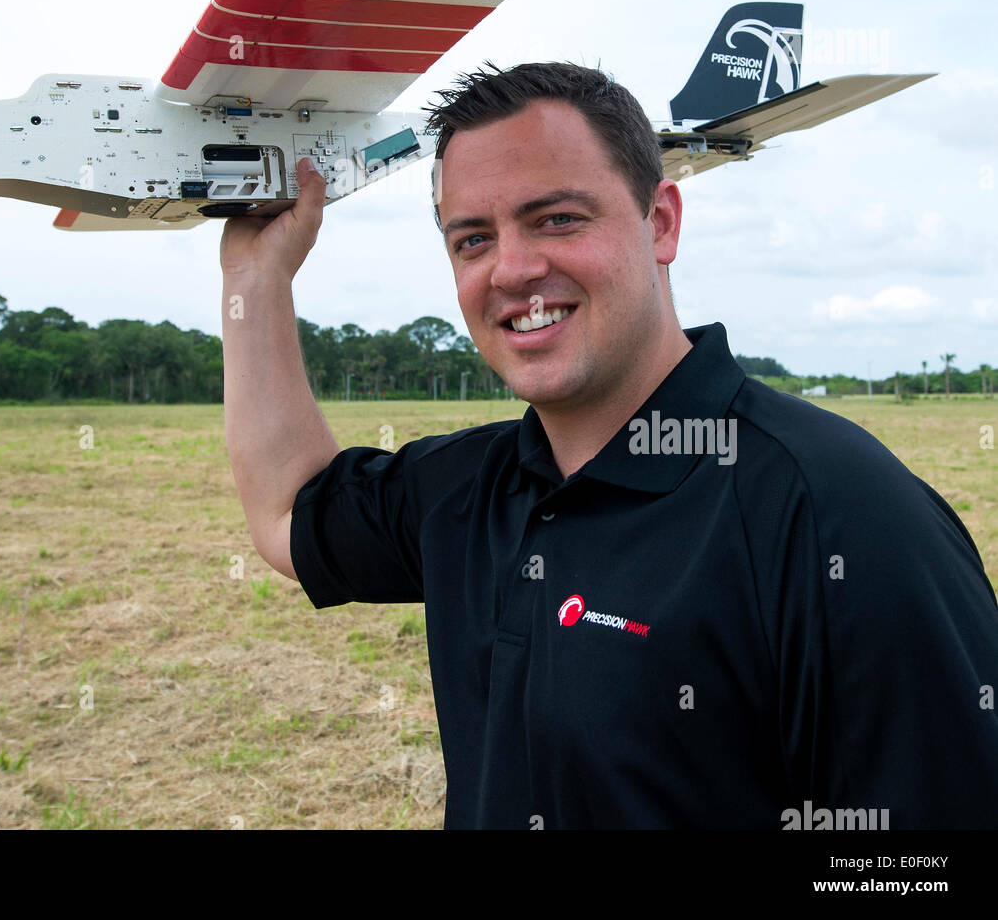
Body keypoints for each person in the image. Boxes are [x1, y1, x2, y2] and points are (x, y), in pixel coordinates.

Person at [219, 61, 998, 829]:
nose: (513, 269)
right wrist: (257, 279)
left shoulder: (839, 514)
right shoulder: (465, 490)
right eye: (472, 239)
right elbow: (288, 511)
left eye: (557, 218)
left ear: (661, 222)